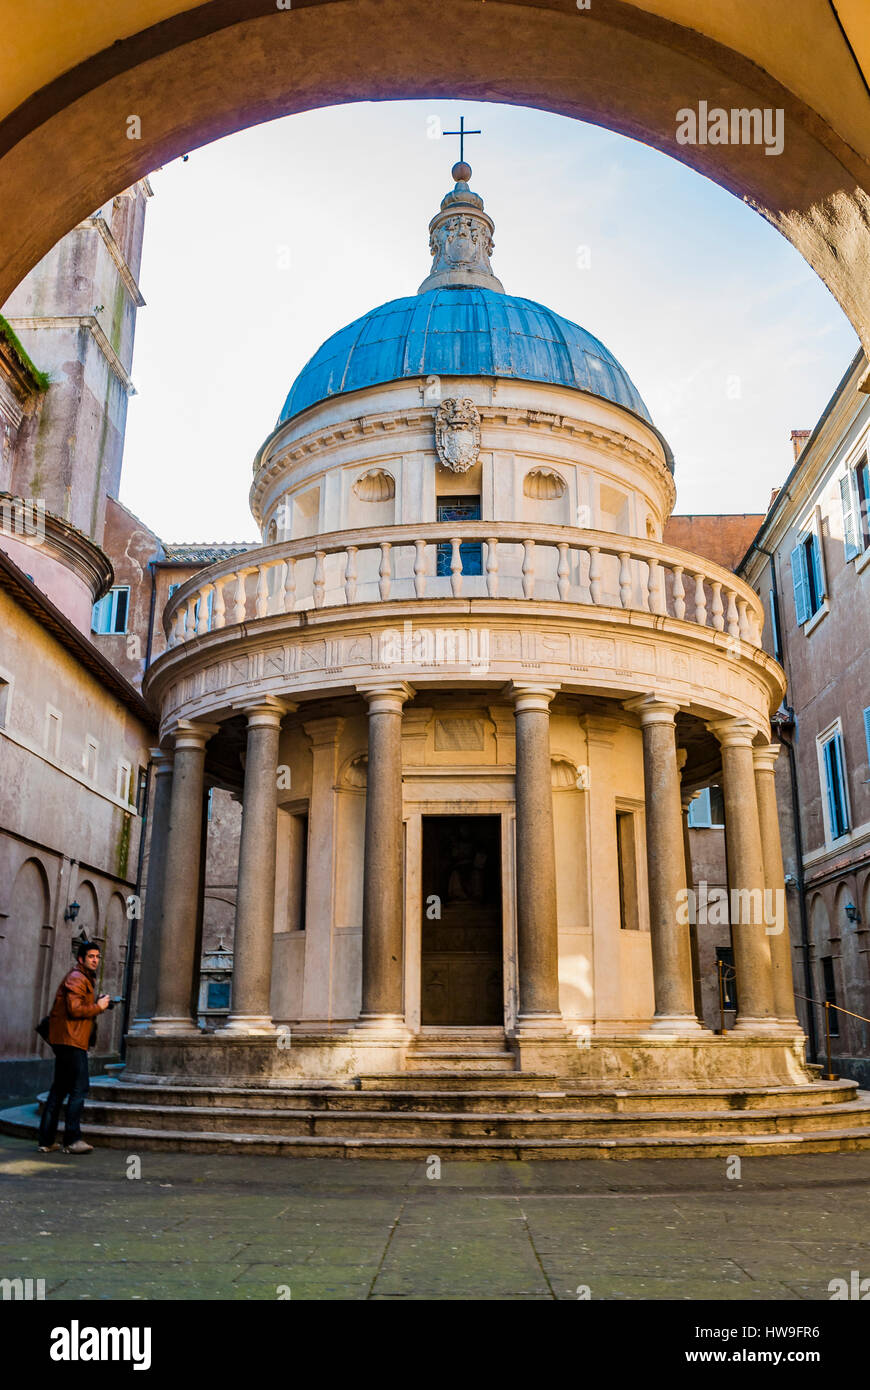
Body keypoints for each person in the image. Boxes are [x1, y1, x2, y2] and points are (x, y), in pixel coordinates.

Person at [37, 940, 109, 1155]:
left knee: (58, 1091)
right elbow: (75, 1009)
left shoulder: (82, 978)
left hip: (69, 1040)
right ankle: (72, 1140)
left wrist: (99, 1003)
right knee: (79, 1088)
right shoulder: (77, 977)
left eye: (97, 956)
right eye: (91, 957)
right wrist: (99, 1006)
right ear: (81, 959)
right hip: (71, 1041)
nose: (95, 960)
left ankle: (46, 1141)